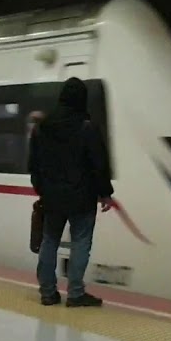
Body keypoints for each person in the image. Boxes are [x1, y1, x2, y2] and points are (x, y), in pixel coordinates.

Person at [28, 77, 113, 307]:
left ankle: (47, 292)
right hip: (82, 198)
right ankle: (75, 294)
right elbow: (99, 164)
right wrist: (105, 193)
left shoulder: (42, 127)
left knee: (49, 241)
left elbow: (33, 165)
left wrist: (43, 189)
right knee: (80, 242)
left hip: (53, 198)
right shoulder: (87, 127)